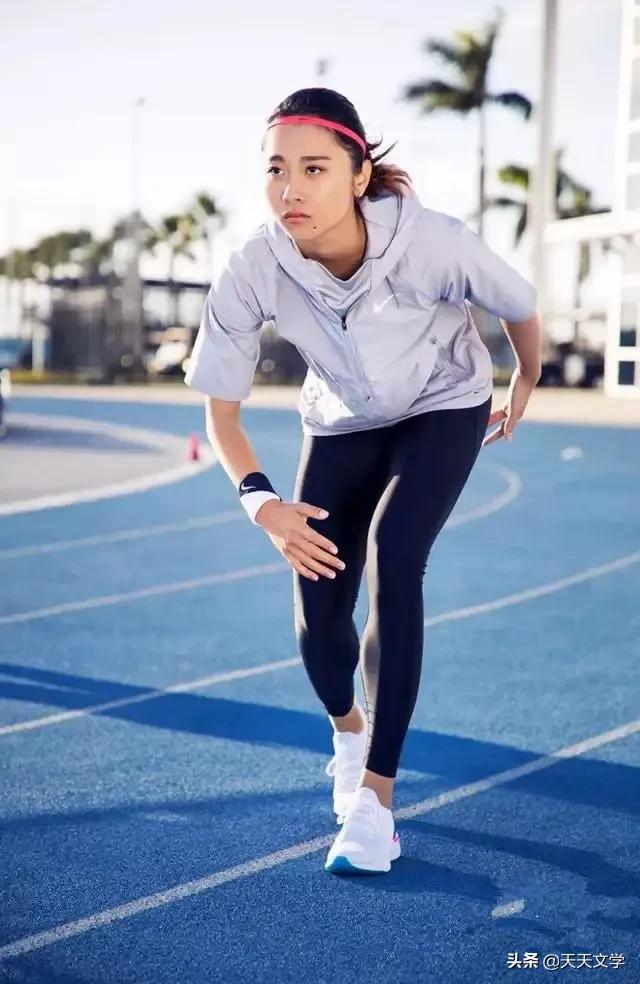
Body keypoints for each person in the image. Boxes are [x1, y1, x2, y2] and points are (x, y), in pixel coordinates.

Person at [184, 87, 542, 876]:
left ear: (358, 175)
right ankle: (347, 733)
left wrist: (527, 377)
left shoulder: (432, 242)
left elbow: (519, 303)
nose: (290, 188)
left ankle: (377, 803)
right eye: (276, 168)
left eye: (314, 168)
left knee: (394, 553)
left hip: (444, 402)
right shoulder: (254, 265)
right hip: (342, 421)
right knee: (319, 618)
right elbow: (223, 413)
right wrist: (263, 504)